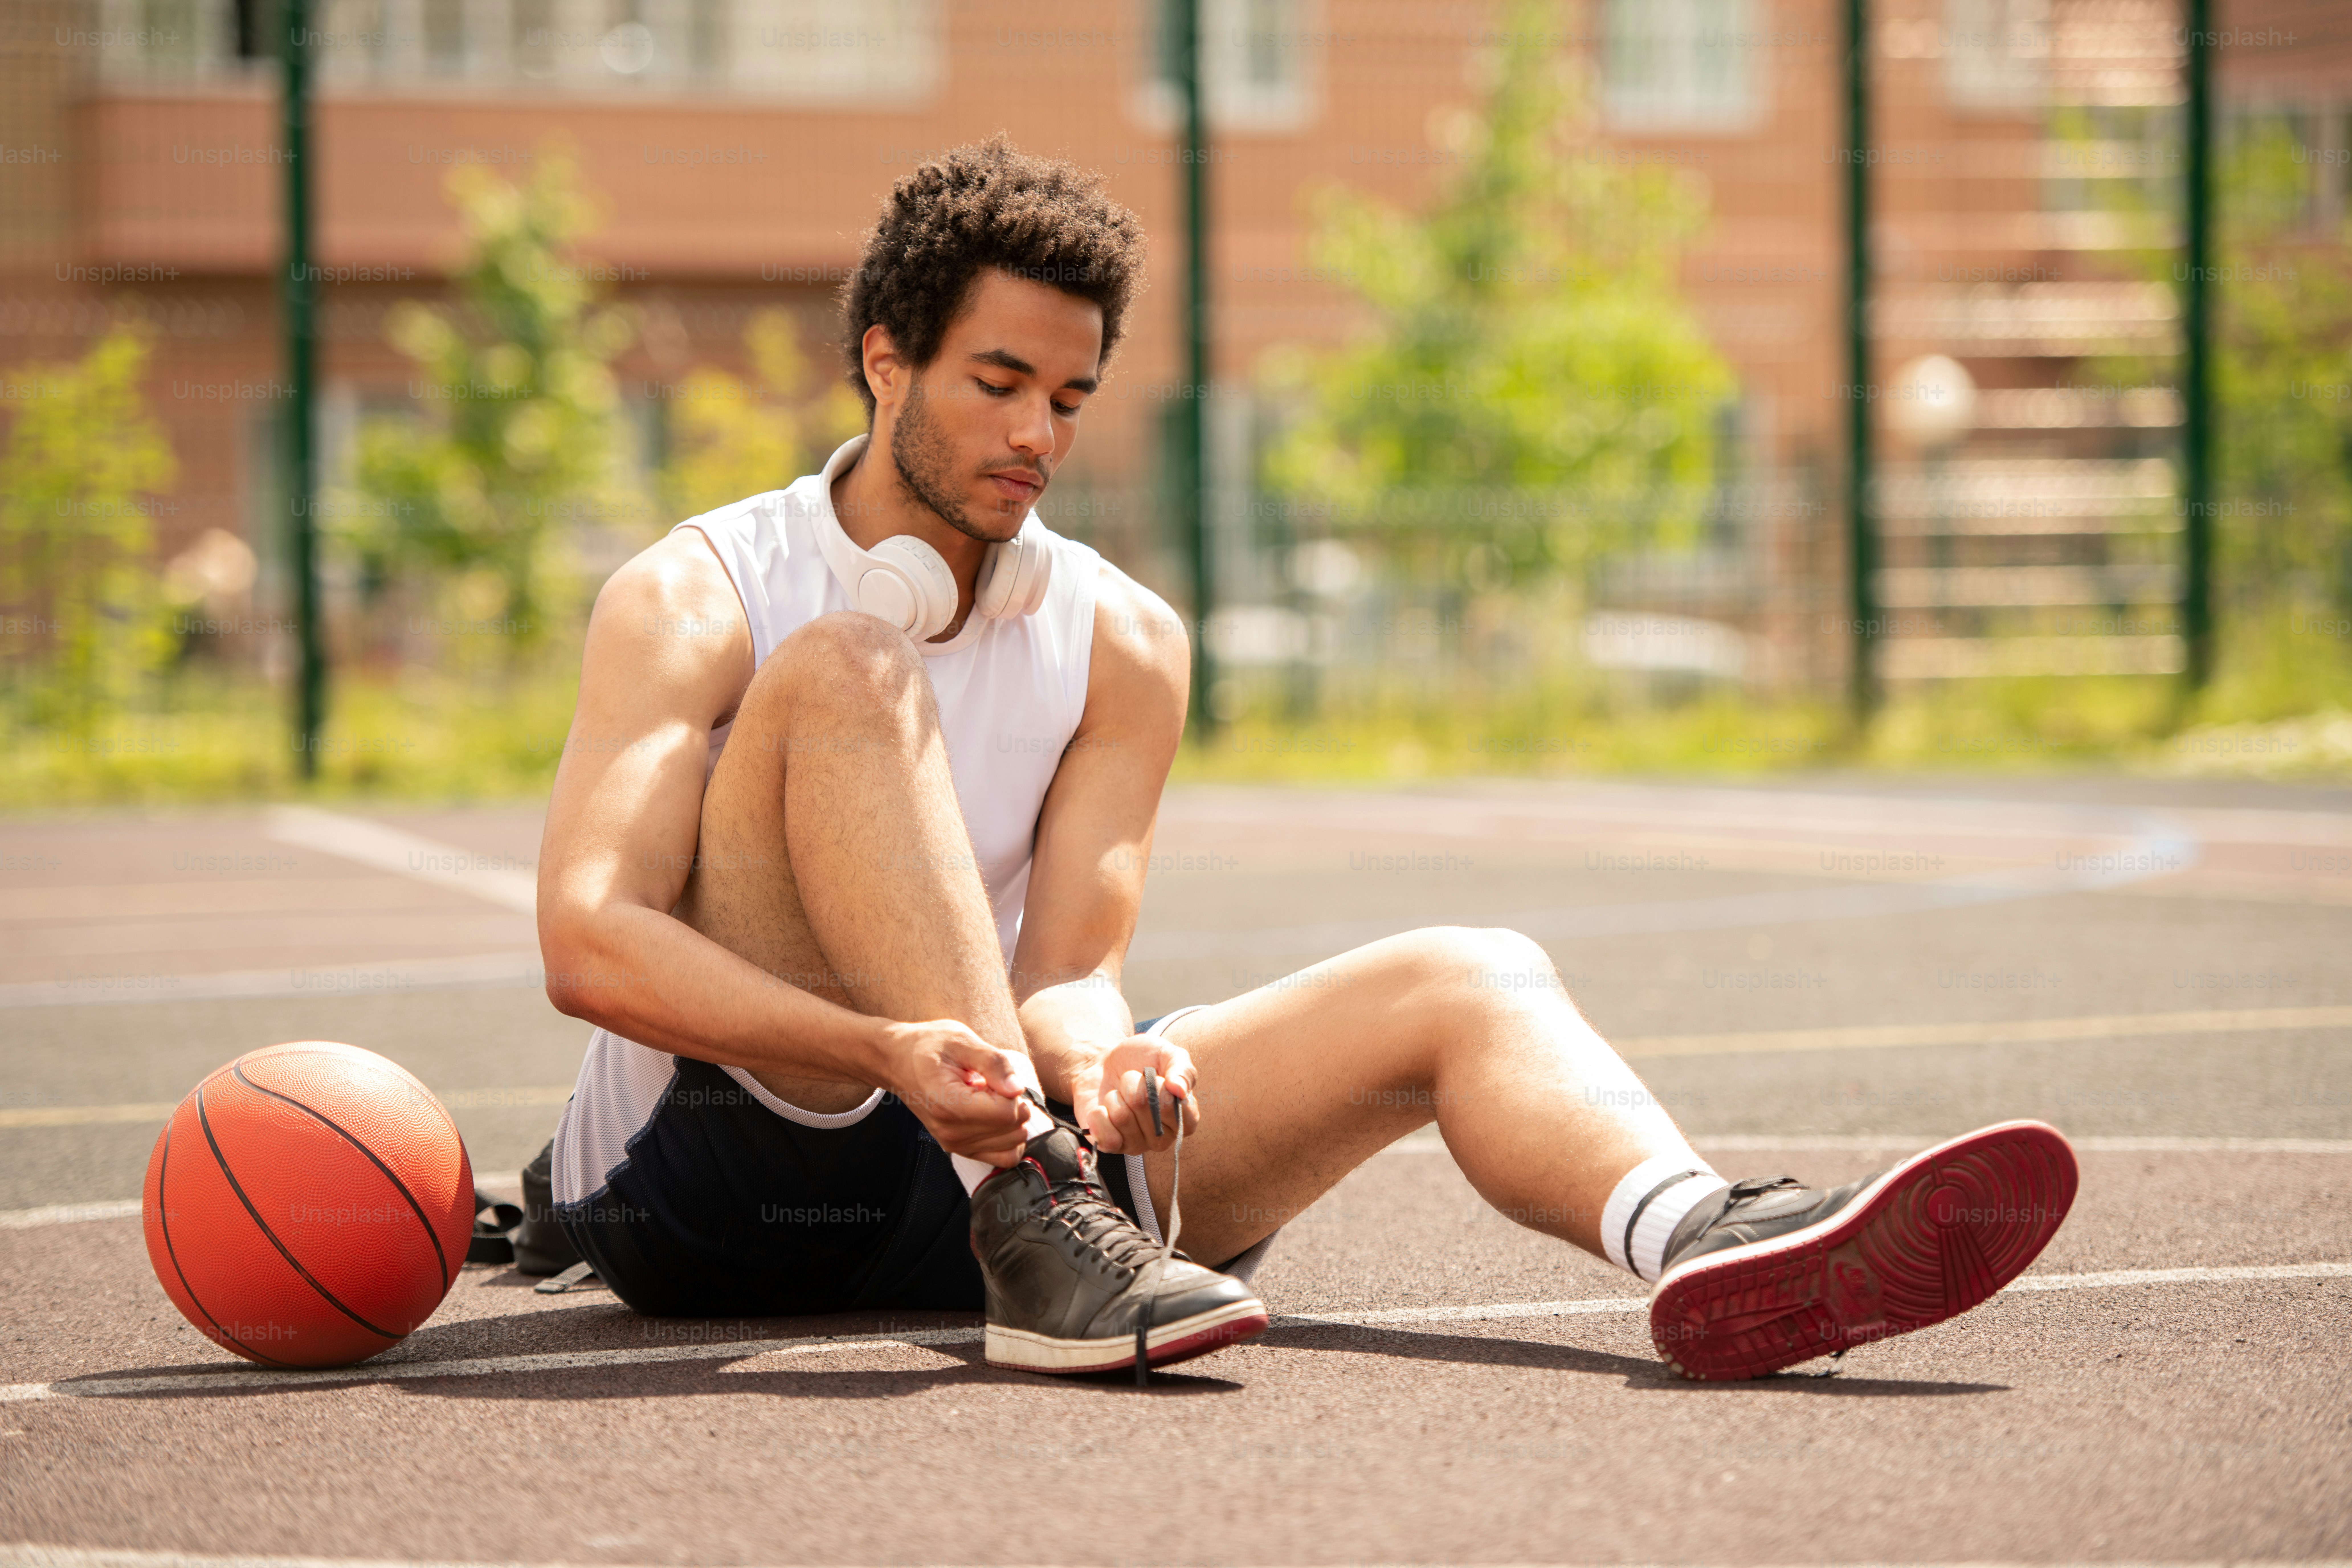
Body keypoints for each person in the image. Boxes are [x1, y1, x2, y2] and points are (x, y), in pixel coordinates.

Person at [534, 137, 2076, 1382]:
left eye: (1068, 400)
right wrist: (885, 1054)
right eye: (996, 384)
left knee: (1470, 970)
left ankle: (1706, 1236)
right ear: (885, 362)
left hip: (1021, 1179)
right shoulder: (700, 591)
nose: (1037, 437)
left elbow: (1071, 970)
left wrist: (1110, 1064)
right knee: (850, 666)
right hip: (732, 1175)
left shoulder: (1123, 638)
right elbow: (590, 944)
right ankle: (1035, 1219)